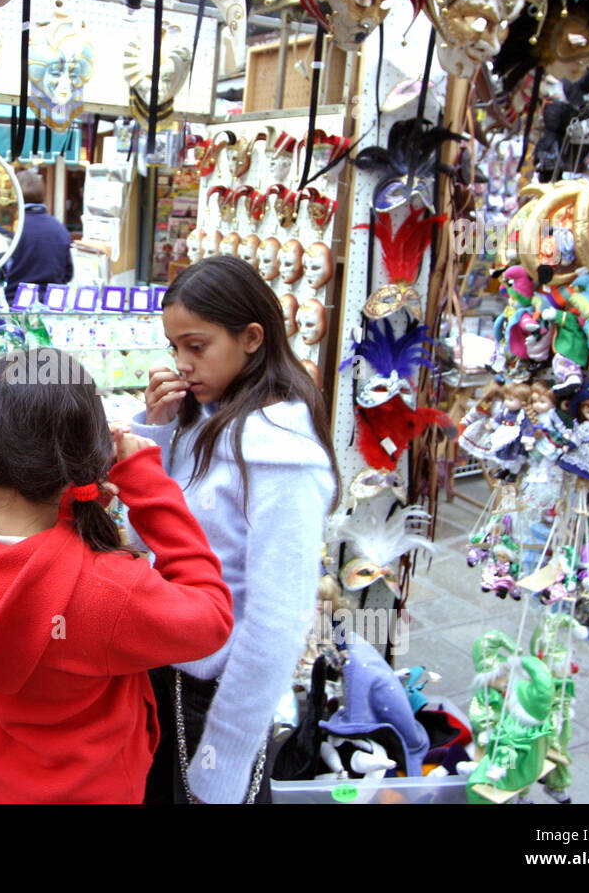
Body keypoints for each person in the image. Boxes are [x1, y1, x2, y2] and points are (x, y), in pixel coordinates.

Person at [0, 348, 233, 803]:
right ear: (86, 455)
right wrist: (148, 483)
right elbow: (211, 617)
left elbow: (33, 565)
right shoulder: (109, 589)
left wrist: (79, 496)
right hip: (89, 789)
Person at [132, 256, 339, 804]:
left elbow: (276, 621)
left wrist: (228, 748)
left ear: (251, 338)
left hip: (215, 691)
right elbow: (150, 534)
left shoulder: (281, 458)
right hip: (167, 670)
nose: (181, 364)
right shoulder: (206, 420)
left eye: (196, 347)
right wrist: (156, 434)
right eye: (174, 347)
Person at [0, 170, 72, 302]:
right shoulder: (59, 228)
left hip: (15, 303)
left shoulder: (14, 228)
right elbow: (67, 273)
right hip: (52, 304)